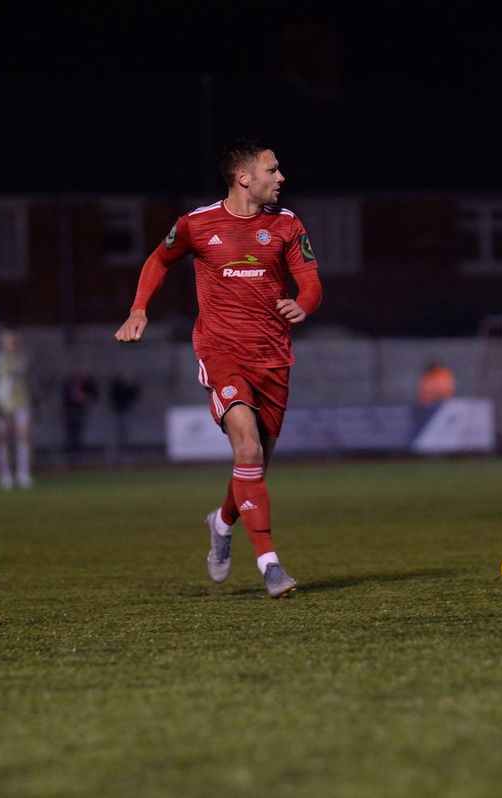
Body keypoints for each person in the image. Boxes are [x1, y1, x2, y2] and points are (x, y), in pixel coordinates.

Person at [114, 138, 322, 599]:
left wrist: (303, 304)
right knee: (247, 448)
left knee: (255, 465)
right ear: (245, 177)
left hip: (274, 358)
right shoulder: (197, 224)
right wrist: (139, 309)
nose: (281, 177)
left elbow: (310, 281)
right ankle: (271, 567)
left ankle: (222, 520)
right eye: (273, 169)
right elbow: (158, 259)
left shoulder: (287, 225)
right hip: (221, 352)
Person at [0, 326, 34, 490]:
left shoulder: (23, 358)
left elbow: (29, 381)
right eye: (7, 340)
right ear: (2, 341)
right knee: (2, 438)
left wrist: (34, 399)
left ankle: (23, 474)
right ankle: (5, 476)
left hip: (21, 402)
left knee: (23, 436)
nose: (10, 343)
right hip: (2, 403)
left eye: (13, 340)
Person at [62, 365, 98, 456]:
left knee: (81, 430)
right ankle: (71, 451)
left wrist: (85, 398)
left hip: (82, 409)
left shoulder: (88, 382)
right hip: (70, 409)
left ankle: (79, 451)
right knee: (71, 431)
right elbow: (65, 396)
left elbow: (94, 394)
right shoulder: (69, 382)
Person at [107, 371, 140, 456]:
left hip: (127, 412)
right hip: (117, 411)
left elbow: (134, 396)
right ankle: (113, 452)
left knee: (126, 433)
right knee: (115, 433)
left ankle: (125, 452)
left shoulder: (131, 389)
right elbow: (113, 397)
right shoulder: (117, 387)